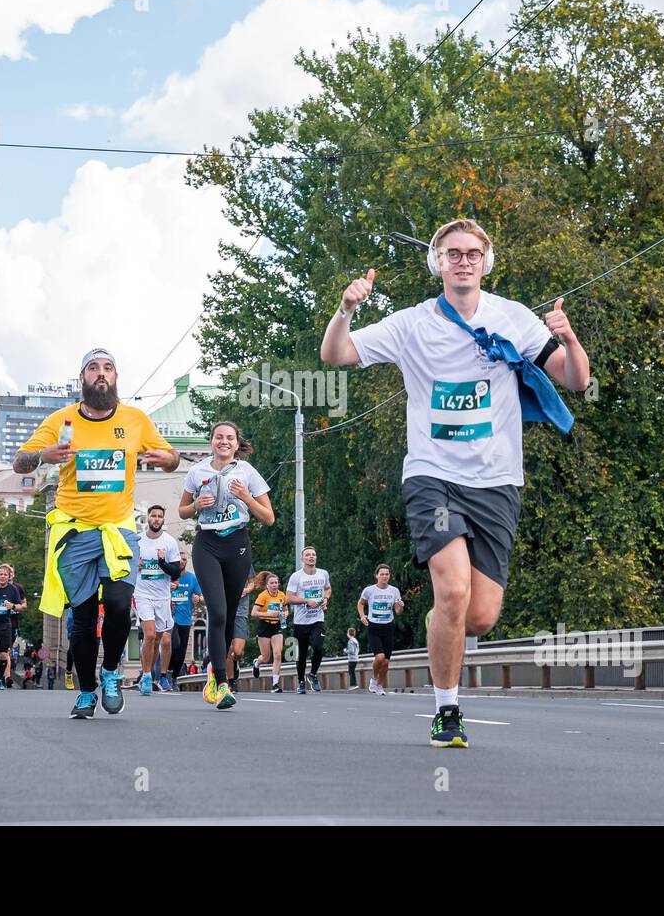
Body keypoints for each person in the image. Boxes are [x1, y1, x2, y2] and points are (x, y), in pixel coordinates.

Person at [321, 218, 589, 746]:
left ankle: (441, 626)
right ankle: (447, 710)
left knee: (482, 615)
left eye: (471, 253)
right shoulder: (412, 324)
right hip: (433, 476)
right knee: (453, 589)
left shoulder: (513, 318)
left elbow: (576, 381)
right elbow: (336, 355)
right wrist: (346, 309)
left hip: (497, 482)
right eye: (452, 253)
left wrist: (569, 337)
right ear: (437, 263)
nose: (462, 261)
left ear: (484, 263)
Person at [16, 348, 180, 719]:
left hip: (119, 530)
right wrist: (45, 455)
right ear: (83, 379)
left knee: (121, 605)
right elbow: (19, 460)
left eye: (107, 368)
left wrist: (163, 459)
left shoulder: (135, 419)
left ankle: (110, 674)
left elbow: (171, 457)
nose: (101, 374)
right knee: (84, 618)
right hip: (74, 532)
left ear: (116, 377)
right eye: (93, 368)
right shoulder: (61, 420)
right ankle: (87, 691)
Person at [179, 421, 274, 710]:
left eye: (229, 438)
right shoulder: (197, 471)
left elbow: (269, 518)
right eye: (218, 437)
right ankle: (220, 683)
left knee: (230, 617)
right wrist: (197, 505)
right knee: (217, 613)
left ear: (236, 443)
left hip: (238, 545)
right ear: (212, 442)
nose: (224, 442)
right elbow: (182, 511)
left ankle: (215, 671)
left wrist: (246, 496)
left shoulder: (247, 472)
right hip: (207, 544)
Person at [134, 504, 183, 695]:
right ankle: (146, 676)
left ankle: (149, 673)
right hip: (142, 594)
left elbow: (176, 571)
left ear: (163, 520)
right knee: (150, 635)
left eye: (159, 516)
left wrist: (162, 562)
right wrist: (133, 564)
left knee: (157, 640)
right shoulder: (138, 540)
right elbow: (125, 564)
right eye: (153, 516)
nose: (156, 519)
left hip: (162, 597)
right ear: (148, 518)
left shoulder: (169, 542)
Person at [287, 547, 331, 694]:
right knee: (302, 654)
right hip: (301, 622)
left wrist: (325, 598)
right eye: (307, 555)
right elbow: (289, 598)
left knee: (318, 647)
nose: (311, 557)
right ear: (302, 559)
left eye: (313, 554)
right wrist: (306, 600)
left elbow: (327, 589)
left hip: (317, 619)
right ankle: (300, 681)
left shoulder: (323, 573)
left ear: (316, 558)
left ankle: (312, 674)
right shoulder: (296, 577)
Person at [358, 564, 404, 695]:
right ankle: (374, 679)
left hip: (388, 627)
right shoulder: (369, 590)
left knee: (386, 662)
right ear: (377, 575)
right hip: (374, 627)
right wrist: (362, 616)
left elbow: (398, 611)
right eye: (382, 574)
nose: (384, 576)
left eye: (387, 574)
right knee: (380, 657)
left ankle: (380, 686)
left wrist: (400, 607)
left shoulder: (394, 591)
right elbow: (360, 603)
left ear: (389, 576)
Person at [167, 554, 202, 687]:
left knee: (181, 651)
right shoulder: (168, 576)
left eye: (184, 559)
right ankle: (167, 674)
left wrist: (197, 598)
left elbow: (199, 595)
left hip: (186, 619)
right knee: (174, 645)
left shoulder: (191, 578)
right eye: (179, 559)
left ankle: (174, 677)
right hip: (171, 617)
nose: (182, 561)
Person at [249, 571, 287, 692]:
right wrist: (268, 614)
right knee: (266, 657)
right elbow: (253, 613)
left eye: (276, 582)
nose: (275, 585)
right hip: (264, 626)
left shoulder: (281, 595)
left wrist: (284, 614)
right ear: (267, 585)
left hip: (277, 626)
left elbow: (286, 610)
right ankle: (257, 662)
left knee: (278, 654)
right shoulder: (263, 596)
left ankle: (275, 684)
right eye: (272, 583)